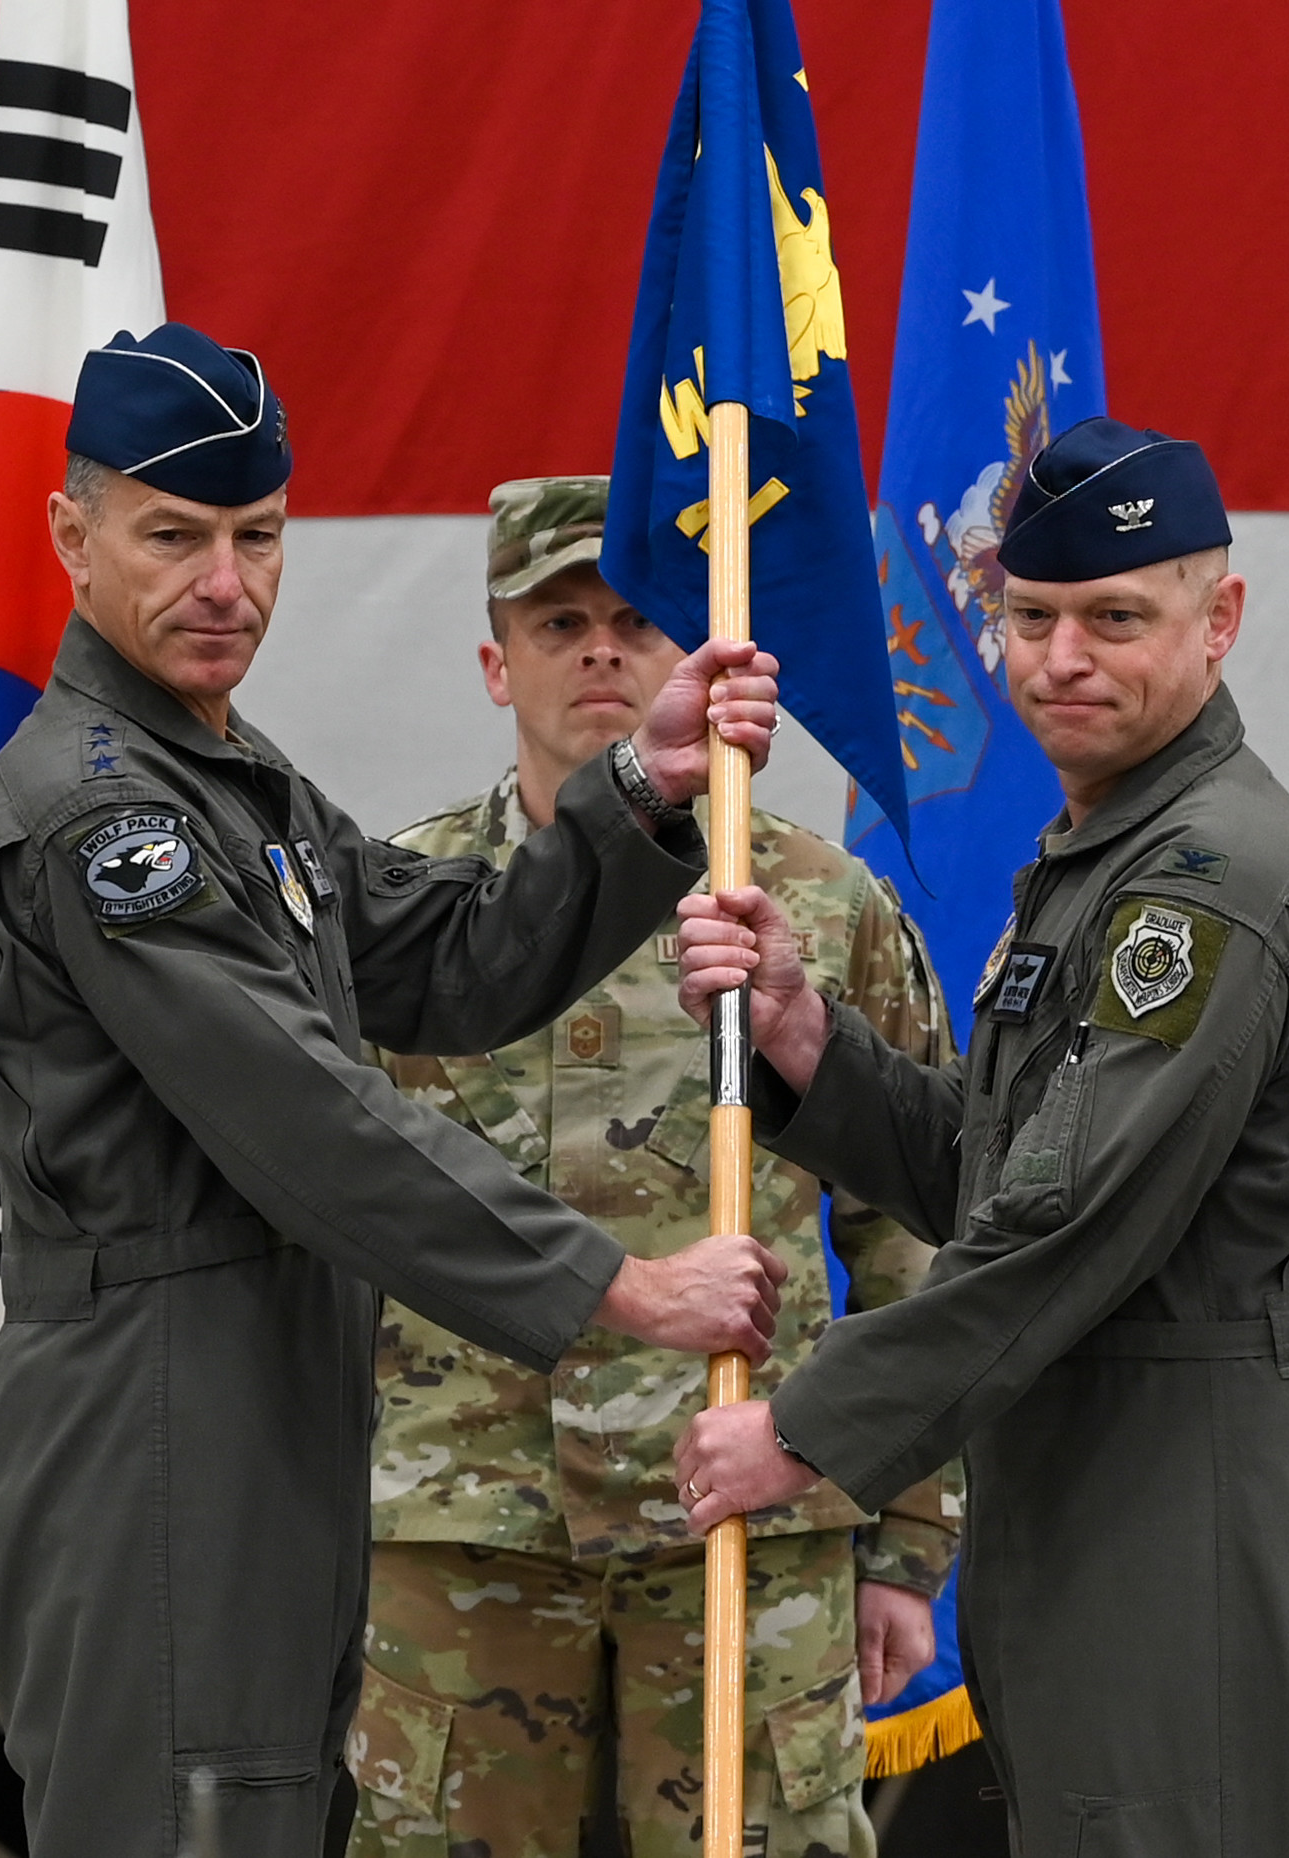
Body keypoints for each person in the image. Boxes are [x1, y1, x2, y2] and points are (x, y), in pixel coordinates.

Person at [0, 325, 793, 1858]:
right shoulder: (101, 814)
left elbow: (446, 957)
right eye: (174, 535)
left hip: (263, 1412)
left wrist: (634, 789)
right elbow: (309, 1118)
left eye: (257, 535)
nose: (226, 582)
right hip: (156, 1419)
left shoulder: (228, 777)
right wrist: (619, 1284)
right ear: (71, 534)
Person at [670, 417, 1289, 1858]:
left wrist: (810, 1429)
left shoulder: (1204, 888)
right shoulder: (1112, 852)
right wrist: (803, 1038)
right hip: (1106, 1484)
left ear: (1221, 621)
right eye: (1031, 618)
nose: (1060, 658)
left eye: (1114, 619)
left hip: (1193, 1495)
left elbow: (1062, 1220)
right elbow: (1001, 1167)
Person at [342, 478, 960, 1858]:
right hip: (466, 1519)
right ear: (495, 659)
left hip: (750, 1505)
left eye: (636, 618)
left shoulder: (809, 900)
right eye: (558, 619)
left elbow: (919, 1222)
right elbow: (335, 1197)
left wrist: (908, 1536)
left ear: (694, 655)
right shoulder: (408, 906)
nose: (601, 651)